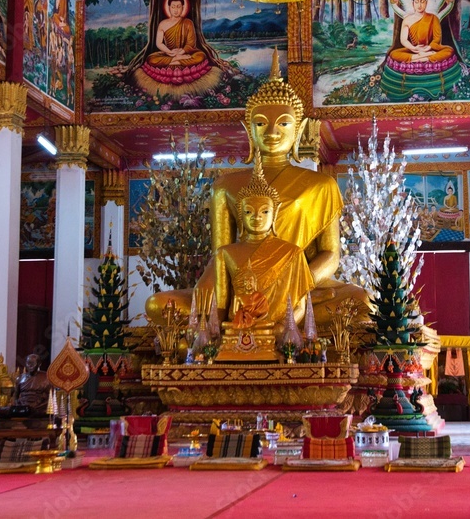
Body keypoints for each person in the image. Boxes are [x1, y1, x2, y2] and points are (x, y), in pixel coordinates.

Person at [145, 48, 369, 328]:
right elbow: (222, 254)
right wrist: (217, 294)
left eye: (283, 124)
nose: (272, 133)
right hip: (240, 288)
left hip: (299, 287)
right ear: (249, 131)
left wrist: (292, 285)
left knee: (361, 301)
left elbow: (331, 255)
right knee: (159, 305)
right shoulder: (225, 185)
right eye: (261, 124)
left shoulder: (321, 184)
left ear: (298, 131)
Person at [193, 152, 315, 329]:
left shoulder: (292, 252)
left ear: (275, 214)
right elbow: (220, 306)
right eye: (249, 211)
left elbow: (300, 307)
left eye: (265, 211)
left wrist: (283, 328)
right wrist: (208, 334)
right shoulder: (225, 253)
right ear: (240, 215)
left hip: (277, 330)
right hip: (236, 329)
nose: (257, 217)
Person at [388, 0, 456, 64]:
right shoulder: (407, 20)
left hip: (430, 49)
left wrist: (427, 49)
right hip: (414, 49)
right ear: (413, 3)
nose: (419, 5)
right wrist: (415, 49)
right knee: (394, 54)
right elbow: (404, 40)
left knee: (449, 50)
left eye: (422, 2)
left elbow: (437, 38)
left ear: (426, 2)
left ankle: (417, 59)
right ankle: (423, 57)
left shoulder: (433, 18)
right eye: (417, 2)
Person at [145, 0, 208, 69]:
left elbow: (191, 43)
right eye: (173, 7)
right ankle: (177, 60)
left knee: (201, 56)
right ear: (169, 8)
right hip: (169, 53)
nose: (176, 10)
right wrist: (171, 52)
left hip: (184, 52)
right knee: (151, 59)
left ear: (183, 8)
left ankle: (172, 62)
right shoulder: (162, 24)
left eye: (178, 7)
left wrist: (181, 52)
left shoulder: (188, 23)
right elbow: (159, 43)